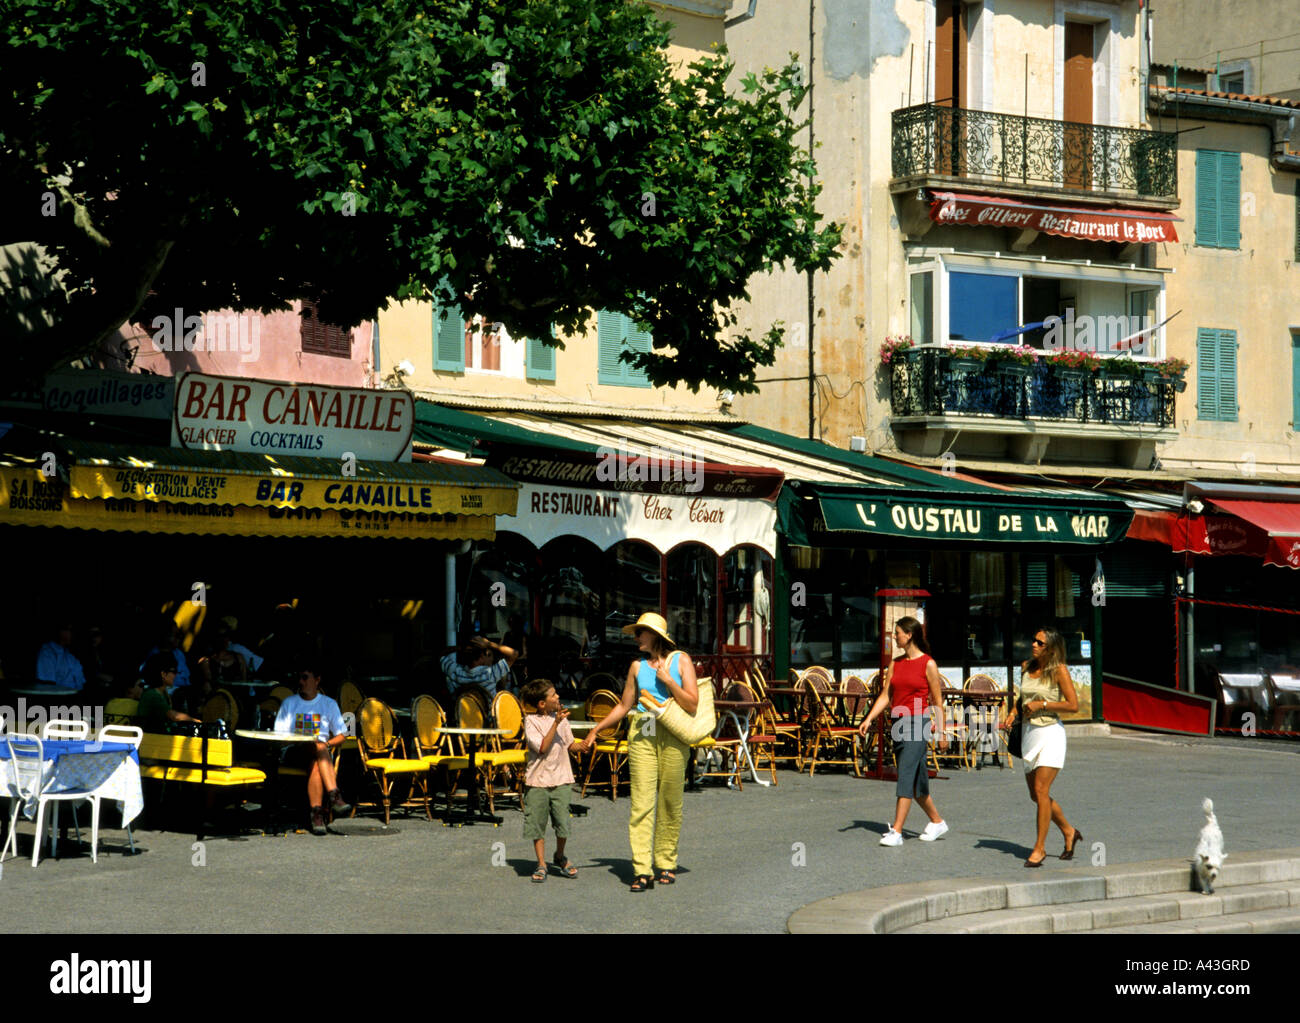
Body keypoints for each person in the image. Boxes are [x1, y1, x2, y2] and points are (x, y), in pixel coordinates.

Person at [580, 612, 698, 892]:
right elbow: (624, 706)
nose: (635, 638)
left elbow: (692, 705)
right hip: (643, 731)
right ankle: (642, 869)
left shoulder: (681, 661)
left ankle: (666, 862)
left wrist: (669, 681)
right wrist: (597, 730)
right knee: (641, 803)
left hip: (673, 731)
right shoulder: (636, 666)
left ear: (654, 635)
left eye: (640, 633)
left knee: (670, 802)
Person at [857, 616, 950, 847]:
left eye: (896, 632)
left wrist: (942, 733)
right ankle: (937, 822)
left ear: (909, 635)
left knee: (905, 775)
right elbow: (886, 695)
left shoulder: (928, 663)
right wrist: (869, 718)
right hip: (897, 723)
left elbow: (937, 701)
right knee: (917, 782)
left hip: (918, 723)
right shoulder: (896, 664)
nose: (893, 636)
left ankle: (897, 832)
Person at [1000, 627, 1080, 867]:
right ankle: (1069, 831)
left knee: (1041, 789)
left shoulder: (1059, 671)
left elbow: (1073, 705)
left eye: (1039, 643)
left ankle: (1039, 848)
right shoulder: (1026, 666)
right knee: (1035, 795)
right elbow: (1021, 699)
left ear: (1051, 648)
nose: (1033, 644)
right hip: (1028, 733)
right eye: (1033, 640)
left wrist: (1042, 704)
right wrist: (1013, 713)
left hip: (1050, 734)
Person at [273, 666, 352, 835]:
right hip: (295, 751)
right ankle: (335, 797)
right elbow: (279, 735)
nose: (301, 682)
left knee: (318, 761)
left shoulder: (328, 704)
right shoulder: (290, 703)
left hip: (320, 753)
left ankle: (316, 814)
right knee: (318, 746)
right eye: (299, 678)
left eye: (305, 677)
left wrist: (327, 745)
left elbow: (342, 735)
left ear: (317, 680)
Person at [521, 679, 584, 882]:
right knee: (537, 824)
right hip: (537, 781)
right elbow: (542, 748)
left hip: (561, 778)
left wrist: (584, 746)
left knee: (562, 822)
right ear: (542, 703)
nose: (558, 697)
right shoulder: (531, 722)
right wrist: (555, 722)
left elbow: (570, 745)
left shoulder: (562, 720)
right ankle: (541, 863)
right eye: (554, 695)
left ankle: (559, 855)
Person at [137, 654, 201, 732]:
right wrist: (196, 721)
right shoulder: (152, 694)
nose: (176, 675)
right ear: (163, 674)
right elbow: (174, 716)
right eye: (174, 671)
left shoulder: (163, 692)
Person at [440, 635, 518, 698]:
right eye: (490, 655)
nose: (492, 660)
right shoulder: (489, 675)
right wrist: (489, 644)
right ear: (483, 655)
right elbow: (514, 654)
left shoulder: (456, 672)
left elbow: (440, 654)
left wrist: (461, 648)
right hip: (487, 717)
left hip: (463, 716)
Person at [35, 623, 87, 691]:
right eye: (69, 630)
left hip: (78, 697)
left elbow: (82, 683)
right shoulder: (47, 652)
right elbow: (47, 687)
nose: (72, 634)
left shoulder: (71, 656)